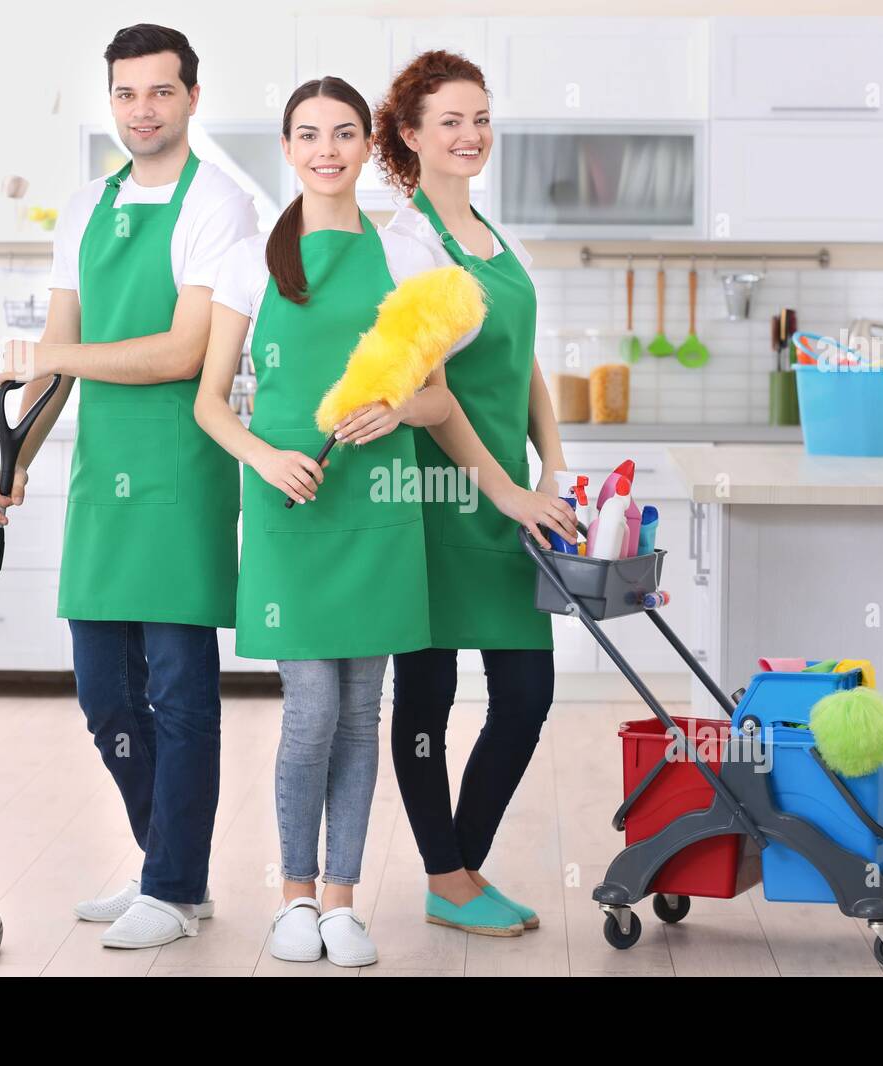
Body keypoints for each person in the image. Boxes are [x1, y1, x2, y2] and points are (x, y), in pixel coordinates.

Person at [0, 24, 257, 949]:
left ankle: (173, 883)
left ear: (191, 97)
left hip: (182, 472)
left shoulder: (218, 204)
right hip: (103, 477)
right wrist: (17, 460)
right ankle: (165, 871)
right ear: (112, 101)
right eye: (127, 93)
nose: (143, 109)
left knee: (180, 692)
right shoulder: (83, 208)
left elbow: (184, 351)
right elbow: (60, 366)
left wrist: (50, 353)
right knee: (106, 695)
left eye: (161, 91)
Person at [195, 76, 458, 966]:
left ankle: (341, 902)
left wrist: (398, 411)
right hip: (288, 506)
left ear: (366, 145)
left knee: (360, 713)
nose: (327, 150)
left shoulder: (407, 260)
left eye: (344, 133)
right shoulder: (250, 260)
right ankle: (292, 896)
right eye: (308, 135)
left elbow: (437, 401)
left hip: (379, 510)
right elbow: (209, 403)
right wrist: (265, 457)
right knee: (310, 708)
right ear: (288, 148)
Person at [373, 49, 577, 936]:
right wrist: (506, 492)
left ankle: (458, 866)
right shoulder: (408, 242)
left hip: (508, 498)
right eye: (449, 121)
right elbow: (428, 394)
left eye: (481, 118)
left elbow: (524, 357)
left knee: (525, 694)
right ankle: (448, 878)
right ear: (410, 137)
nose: (470, 135)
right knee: (427, 696)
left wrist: (554, 465)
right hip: (434, 499)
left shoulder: (500, 237)